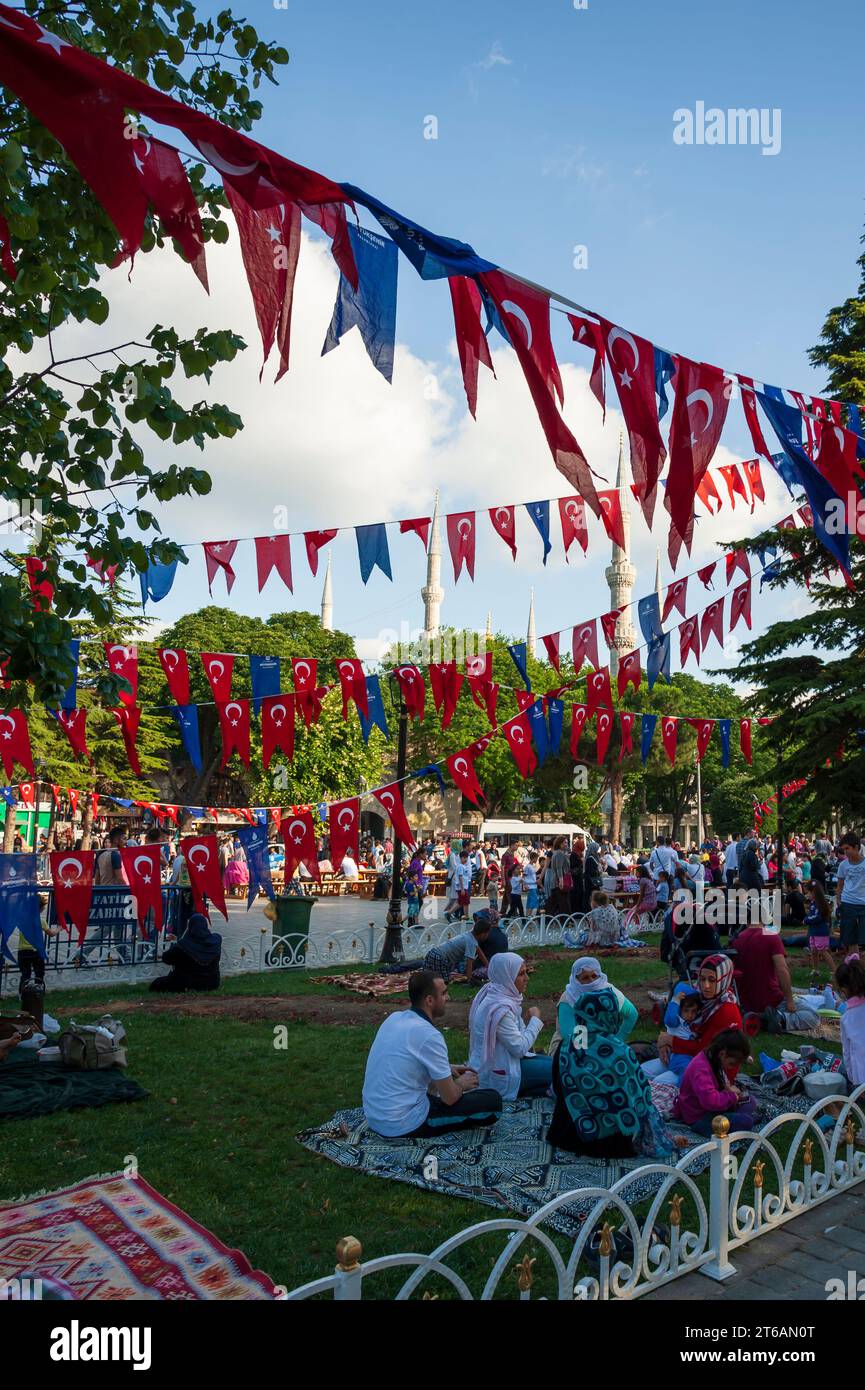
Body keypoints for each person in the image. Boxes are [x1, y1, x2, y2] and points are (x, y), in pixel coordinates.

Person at [547, 974, 684, 1158]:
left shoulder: (567, 1047)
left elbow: (557, 1088)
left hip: (565, 1134)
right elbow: (640, 1099)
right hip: (612, 1144)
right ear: (611, 1017)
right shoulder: (619, 1052)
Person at [361, 970, 502, 1138]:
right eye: (443, 993)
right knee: (492, 1102)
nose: (447, 998)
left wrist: (447, 1068)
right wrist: (461, 1084)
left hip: (375, 1116)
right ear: (429, 1000)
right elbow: (449, 1098)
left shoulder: (394, 1018)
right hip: (402, 1123)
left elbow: (406, 1060)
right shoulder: (429, 1035)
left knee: (443, 1087)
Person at [467, 953, 552, 1100]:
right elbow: (519, 1048)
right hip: (501, 1069)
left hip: (507, 1059)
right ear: (506, 976)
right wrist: (535, 1019)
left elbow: (515, 1038)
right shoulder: (500, 1008)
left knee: (555, 1063)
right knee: (561, 1070)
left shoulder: (495, 992)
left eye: (526, 972)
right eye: (521, 974)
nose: (527, 978)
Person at [653, 955, 743, 1068]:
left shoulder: (726, 1010)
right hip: (685, 1055)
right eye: (702, 979)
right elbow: (678, 1023)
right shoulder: (701, 998)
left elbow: (704, 1049)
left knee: (656, 1081)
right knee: (643, 1072)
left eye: (712, 980)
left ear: (723, 980)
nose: (706, 986)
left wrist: (670, 1041)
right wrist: (665, 1043)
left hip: (711, 1067)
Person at [732, 922, 819, 1033]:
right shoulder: (770, 936)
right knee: (813, 1016)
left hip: (745, 1002)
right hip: (771, 999)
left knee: (795, 991)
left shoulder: (737, 939)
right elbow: (782, 970)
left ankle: (761, 1017)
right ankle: (779, 1019)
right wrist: (790, 1001)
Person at [673, 1030, 757, 1136]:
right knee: (744, 1122)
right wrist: (731, 1096)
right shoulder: (700, 1068)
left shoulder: (713, 1059)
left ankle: (739, 1116)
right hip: (698, 1117)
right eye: (732, 1063)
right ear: (722, 1054)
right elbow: (710, 1101)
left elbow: (716, 1088)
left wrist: (729, 1092)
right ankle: (743, 1118)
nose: (732, 1067)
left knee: (751, 1101)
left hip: (711, 1109)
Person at [548, 958, 638, 1055]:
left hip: (606, 1043)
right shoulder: (568, 999)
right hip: (572, 1047)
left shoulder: (611, 993)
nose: (591, 981)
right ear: (576, 979)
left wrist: (619, 1039)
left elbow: (632, 1014)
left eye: (594, 976)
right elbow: (568, 1034)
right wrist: (592, 1054)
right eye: (585, 978)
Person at [150, 913, 222, 992]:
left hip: (187, 983)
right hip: (211, 983)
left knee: (157, 984)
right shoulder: (215, 941)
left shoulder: (183, 946)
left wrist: (179, 942)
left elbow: (166, 958)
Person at [423, 915, 491, 984]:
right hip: (440, 958)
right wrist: (469, 980)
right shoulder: (471, 943)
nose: (488, 935)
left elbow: (479, 951)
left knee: (427, 977)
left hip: (433, 953)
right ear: (483, 934)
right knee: (442, 982)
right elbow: (469, 963)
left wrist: (488, 966)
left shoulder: (469, 934)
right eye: (488, 933)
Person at [835, 958, 865, 1089]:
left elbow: (847, 1052)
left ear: (844, 990)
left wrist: (853, 1079)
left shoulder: (847, 1018)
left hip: (861, 1082)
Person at [836, 832, 865, 952]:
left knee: (863, 940)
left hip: (863, 904)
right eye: (843, 849)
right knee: (850, 939)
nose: (845, 852)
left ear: (856, 847)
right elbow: (840, 885)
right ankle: (855, 964)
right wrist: (839, 901)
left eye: (847, 848)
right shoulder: (843, 865)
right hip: (848, 903)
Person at [805, 880, 835, 976]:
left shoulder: (819, 904)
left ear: (814, 892)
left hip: (820, 932)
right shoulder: (813, 903)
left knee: (823, 951)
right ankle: (816, 970)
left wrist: (806, 920)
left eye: (808, 892)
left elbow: (817, 917)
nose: (807, 894)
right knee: (814, 950)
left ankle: (834, 971)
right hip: (814, 931)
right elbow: (812, 915)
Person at [624, 865, 657, 930]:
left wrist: (637, 905)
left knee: (631, 913)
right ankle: (638, 927)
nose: (635, 874)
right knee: (637, 913)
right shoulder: (649, 880)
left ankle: (625, 927)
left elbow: (641, 895)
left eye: (636, 872)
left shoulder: (642, 880)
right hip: (653, 903)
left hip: (647, 903)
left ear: (641, 872)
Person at [523, 851, 540, 917]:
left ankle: (527, 916)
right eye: (536, 858)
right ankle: (528, 916)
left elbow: (532, 876)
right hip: (531, 886)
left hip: (533, 886)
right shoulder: (528, 867)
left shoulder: (532, 866)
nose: (536, 860)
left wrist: (538, 876)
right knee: (532, 902)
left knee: (530, 901)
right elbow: (524, 876)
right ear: (533, 858)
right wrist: (525, 885)